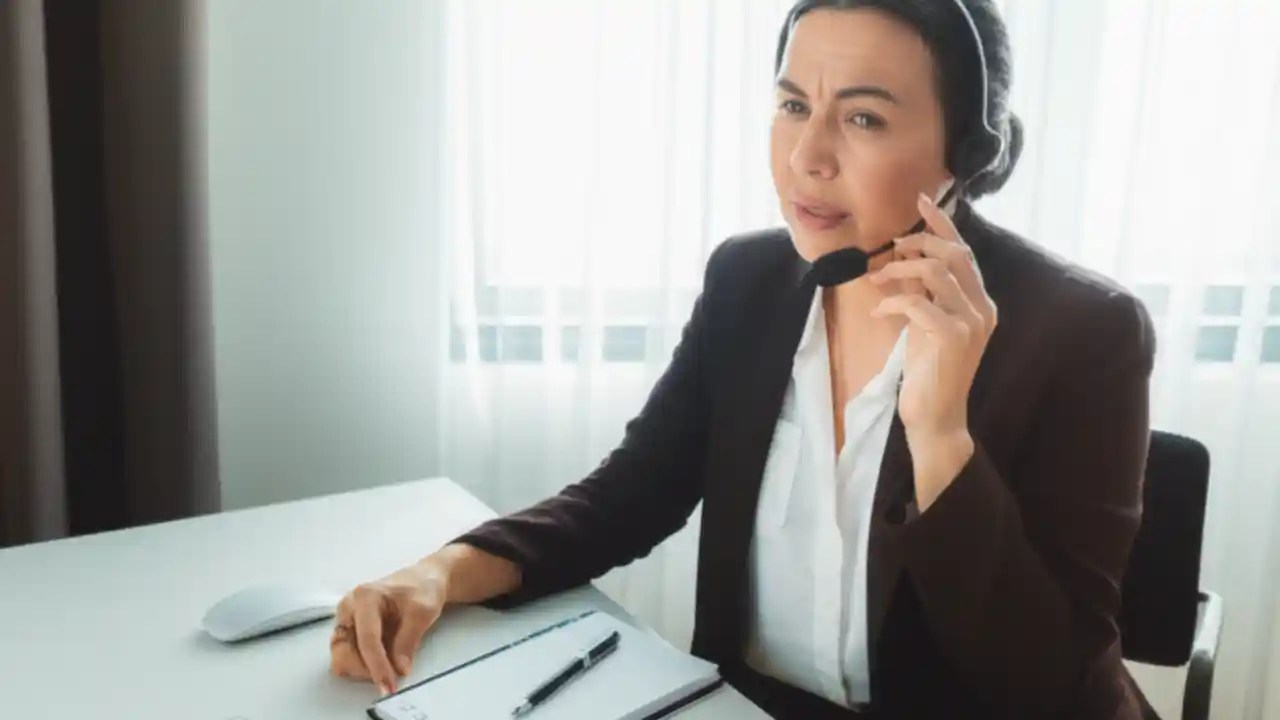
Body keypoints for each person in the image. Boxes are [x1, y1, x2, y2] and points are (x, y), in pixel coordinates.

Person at [329, 1, 1158, 717]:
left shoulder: (1083, 331)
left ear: (966, 154)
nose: (807, 156)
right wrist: (439, 575)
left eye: (863, 119)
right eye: (794, 105)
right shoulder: (748, 281)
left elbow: (1048, 685)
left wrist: (942, 438)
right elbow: (630, 494)